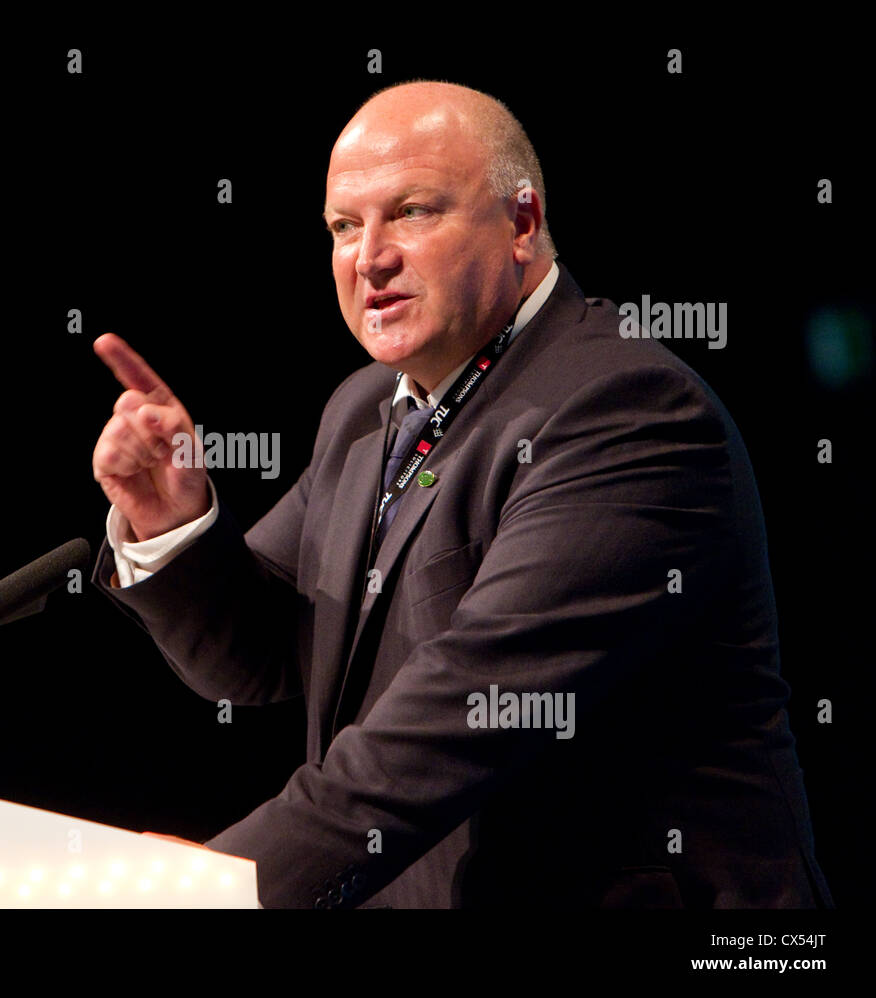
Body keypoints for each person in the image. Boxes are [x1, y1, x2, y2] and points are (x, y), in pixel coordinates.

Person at [88, 81, 832, 909]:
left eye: (410, 212)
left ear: (521, 224)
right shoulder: (364, 410)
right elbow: (258, 652)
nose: (368, 257)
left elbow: (456, 722)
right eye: (343, 226)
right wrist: (174, 522)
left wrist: (203, 889)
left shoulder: (627, 411)